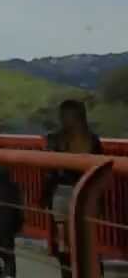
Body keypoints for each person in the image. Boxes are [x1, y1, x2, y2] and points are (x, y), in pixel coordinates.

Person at [42, 99, 104, 277]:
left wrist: (45, 196)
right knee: (88, 244)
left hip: (62, 195)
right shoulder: (93, 140)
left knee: (65, 246)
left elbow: (50, 173)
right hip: (88, 195)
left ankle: (68, 274)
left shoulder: (55, 139)